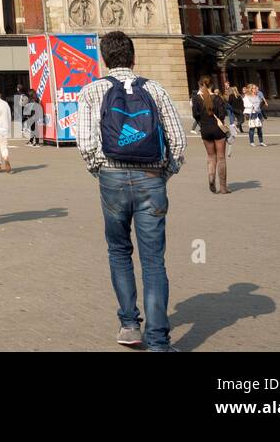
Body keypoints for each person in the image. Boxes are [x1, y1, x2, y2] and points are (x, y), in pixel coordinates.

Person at [76, 31, 186, 352]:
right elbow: (177, 143)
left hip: (111, 178)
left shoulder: (93, 91)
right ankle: (158, 342)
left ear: (104, 59)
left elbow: (86, 143)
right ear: (134, 58)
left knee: (119, 250)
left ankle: (129, 325)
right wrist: (163, 173)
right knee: (153, 261)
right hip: (151, 177)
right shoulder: (155, 89)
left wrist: (101, 169)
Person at [191, 76, 230, 194]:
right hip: (217, 129)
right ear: (212, 85)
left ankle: (211, 178)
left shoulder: (196, 98)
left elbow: (195, 115)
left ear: (200, 85)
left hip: (205, 129)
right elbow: (222, 115)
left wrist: (202, 122)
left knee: (211, 157)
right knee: (221, 158)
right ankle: (223, 187)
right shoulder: (217, 98)